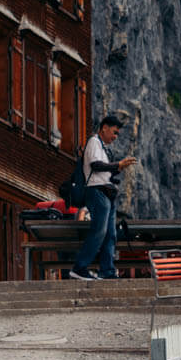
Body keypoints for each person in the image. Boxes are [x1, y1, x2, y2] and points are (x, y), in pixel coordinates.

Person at [68, 115, 139, 280]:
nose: (115, 137)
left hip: (107, 193)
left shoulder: (104, 148)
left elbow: (104, 169)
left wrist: (117, 169)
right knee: (99, 231)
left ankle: (107, 270)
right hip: (97, 191)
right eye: (114, 132)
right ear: (104, 127)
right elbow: (96, 165)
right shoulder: (94, 142)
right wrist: (117, 165)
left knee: (110, 234)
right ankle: (80, 267)